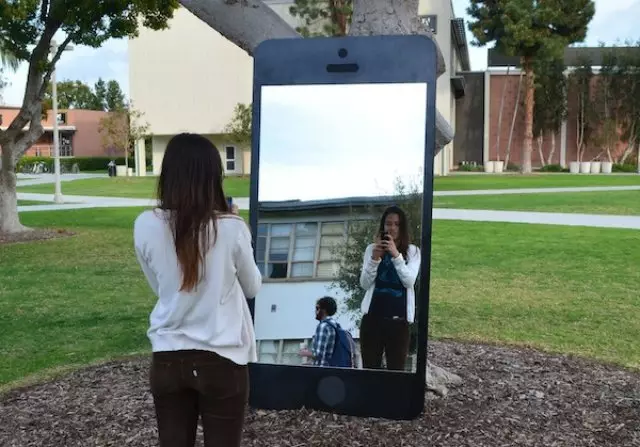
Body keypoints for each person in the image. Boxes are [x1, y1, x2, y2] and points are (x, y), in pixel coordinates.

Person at [133, 133, 261, 447]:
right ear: (212, 178)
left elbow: (161, 288)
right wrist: (237, 229)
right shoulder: (231, 229)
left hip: (167, 360)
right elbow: (252, 287)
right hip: (222, 360)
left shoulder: (145, 224)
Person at [358, 205, 420, 371]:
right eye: (388, 223)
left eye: (396, 224)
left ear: (402, 227)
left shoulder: (413, 252)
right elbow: (364, 283)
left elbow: (409, 281)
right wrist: (374, 259)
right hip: (372, 320)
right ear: (383, 226)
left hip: (398, 322)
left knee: (396, 373)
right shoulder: (372, 249)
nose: (391, 228)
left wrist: (396, 255)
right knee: (370, 372)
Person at [299, 296, 355, 367]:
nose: (315, 311)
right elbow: (327, 355)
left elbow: (319, 354)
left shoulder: (323, 326)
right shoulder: (335, 326)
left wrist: (305, 353)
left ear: (324, 310)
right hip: (334, 369)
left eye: (317, 308)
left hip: (323, 372)